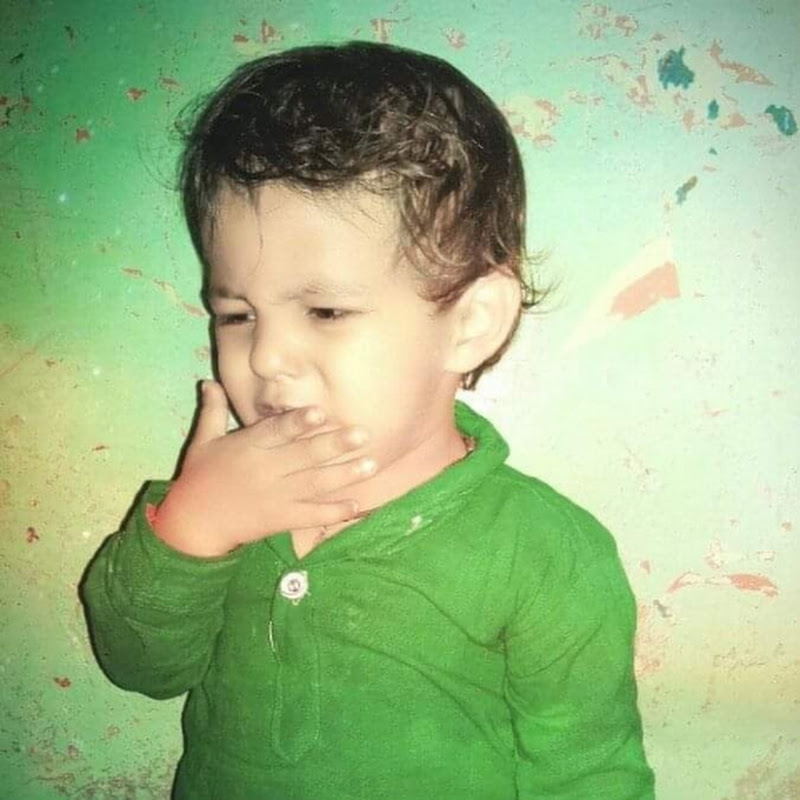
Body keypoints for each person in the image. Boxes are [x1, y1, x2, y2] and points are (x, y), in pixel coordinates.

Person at [81, 41, 655, 799]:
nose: (267, 358)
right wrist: (194, 526)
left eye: (325, 311)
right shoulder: (217, 504)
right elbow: (141, 668)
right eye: (237, 314)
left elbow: (589, 774)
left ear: (471, 323)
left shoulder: (546, 551)